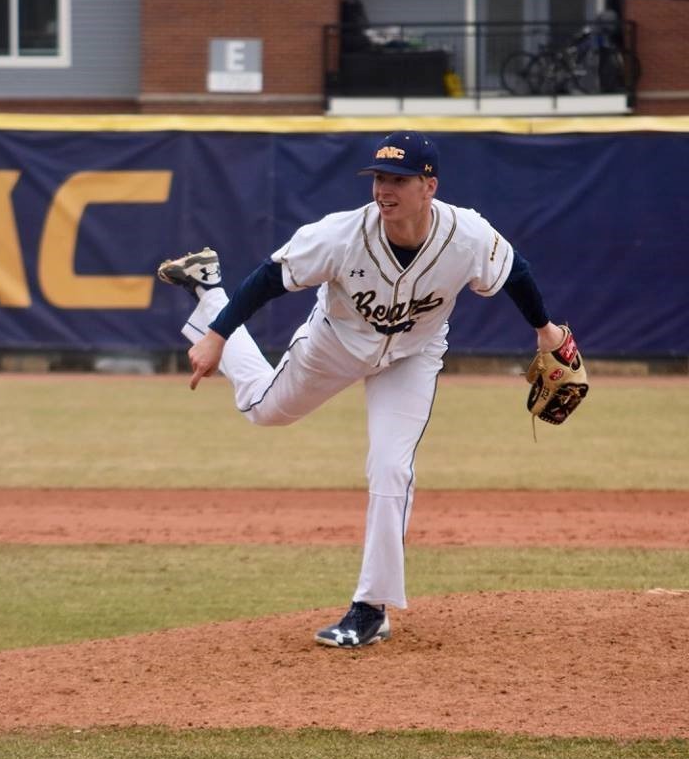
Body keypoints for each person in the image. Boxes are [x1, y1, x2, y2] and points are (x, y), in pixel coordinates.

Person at [156, 130, 565, 648]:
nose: (384, 190)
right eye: (378, 178)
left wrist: (545, 330)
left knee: (393, 467)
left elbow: (514, 271)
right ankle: (209, 292)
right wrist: (217, 337)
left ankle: (370, 609)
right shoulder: (340, 235)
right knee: (264, 410)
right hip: (334, 345)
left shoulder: (467, 235)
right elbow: (269, 277)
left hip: (411, 357)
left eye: (398, 179)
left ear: (429, 185)